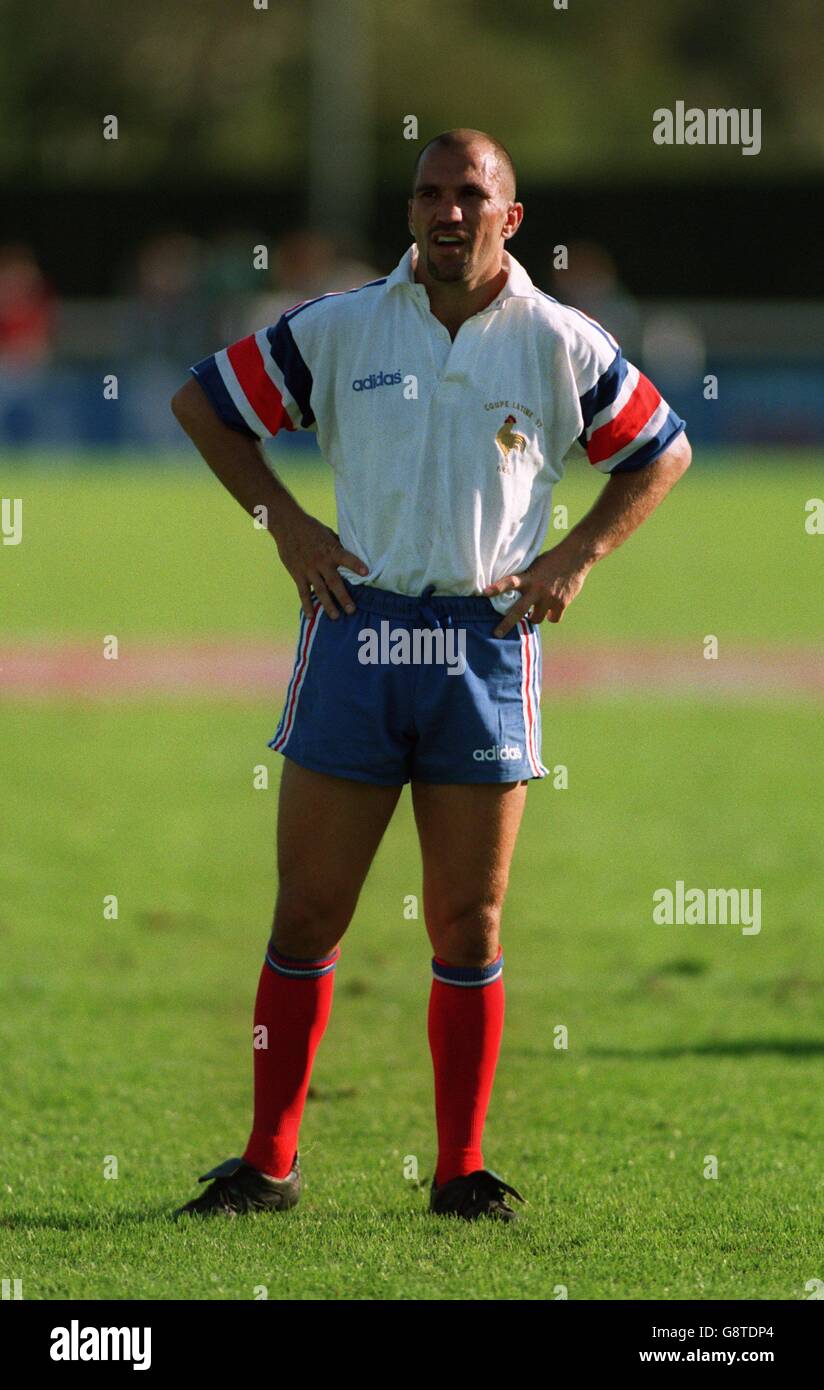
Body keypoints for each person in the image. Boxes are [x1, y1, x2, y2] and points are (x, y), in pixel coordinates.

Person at [170, 128, 691, 1222]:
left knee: (469, 921)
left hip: (482, 646)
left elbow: (660, 448)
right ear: (409, 211)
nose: (445, 212)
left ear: (510, 216)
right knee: (307, 911)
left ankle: (459, 1170)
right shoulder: (343, 322)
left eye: (469, 195)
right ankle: (268, 1164)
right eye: (427, 193)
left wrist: (575, 556)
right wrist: (289, 526)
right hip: (356, 633)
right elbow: (205, 405)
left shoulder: (559, 341)